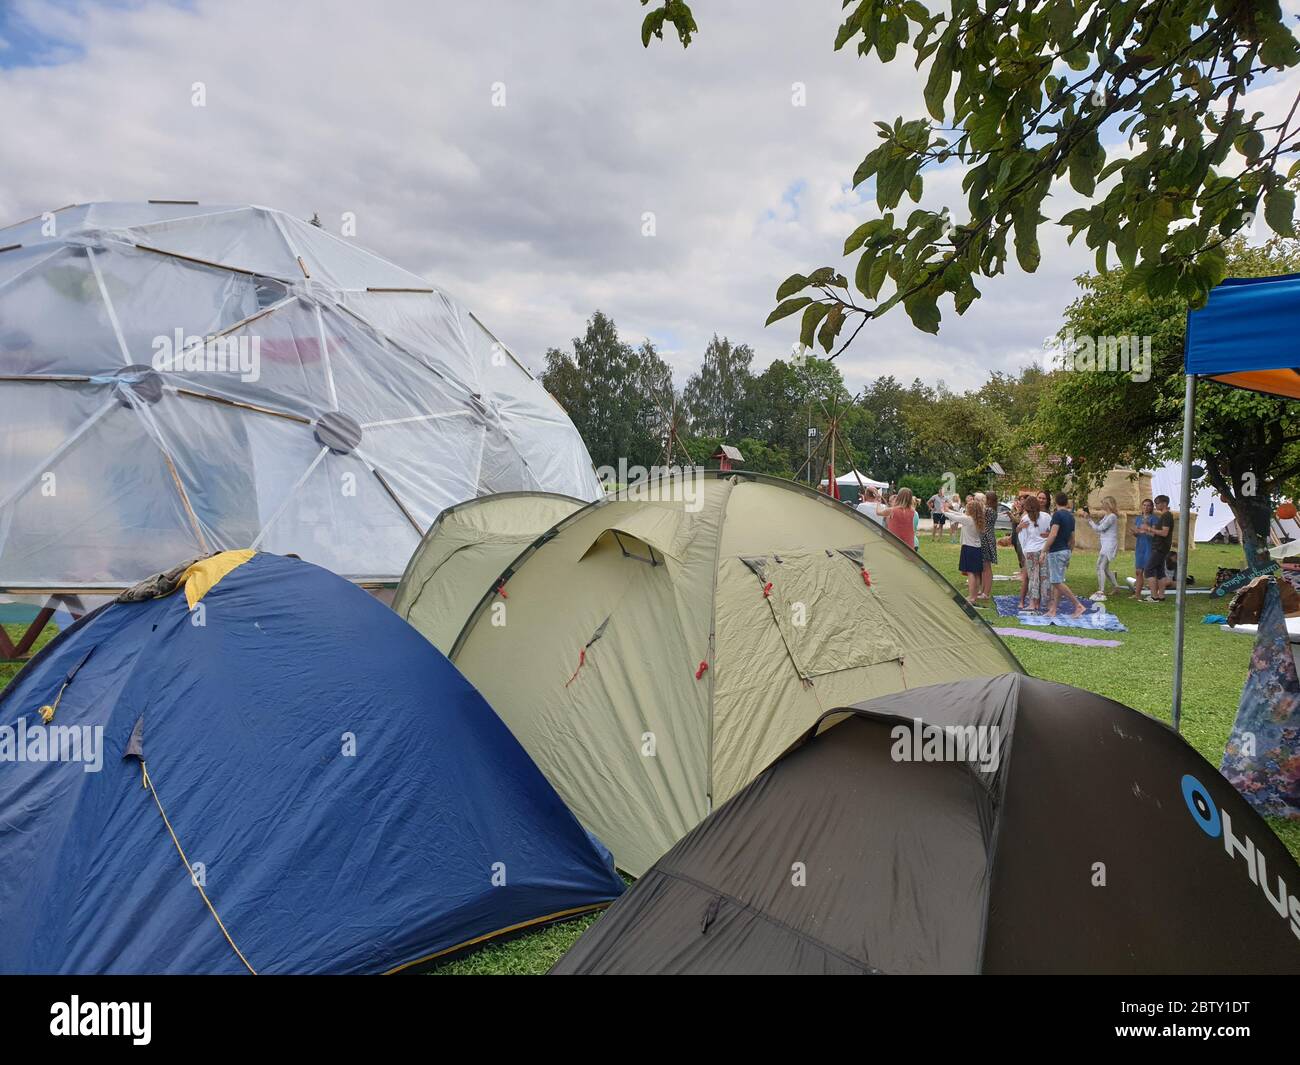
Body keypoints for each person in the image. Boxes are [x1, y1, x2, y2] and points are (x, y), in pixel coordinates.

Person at [1041, 491, 1087, 616]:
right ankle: (1053, 609)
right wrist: (1069, 554)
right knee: (1058, 580)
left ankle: (1078, 605)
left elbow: (1053, 534)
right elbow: (1072, 539)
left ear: (1055, 502)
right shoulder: (1071, 517)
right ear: (1067, 503)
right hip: (1066, 550)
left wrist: (1044, 550)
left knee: (1056, 582)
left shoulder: (1057, 515)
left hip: (1056, 551)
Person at [944, 495, 986, 606]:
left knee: (970, 573)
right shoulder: (976, 519)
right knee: (976, 574)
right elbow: (960, 515)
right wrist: (948, 510)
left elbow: (956, 518)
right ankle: (974, 595)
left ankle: (972, 597)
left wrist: (944, 511)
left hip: (969, 548)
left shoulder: (968, 520)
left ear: (970, 510)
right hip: (977, 549)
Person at [1085, 495, 1122, 601]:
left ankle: (1101, 590)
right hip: (1106, 543)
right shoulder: (1108, 515)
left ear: (1107, 504)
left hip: (1109, 544)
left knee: (1100, 566)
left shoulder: (1112, 517)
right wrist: (1090, 519)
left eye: (1103, 503)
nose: (1101, 505)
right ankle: (1116, 587)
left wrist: (1089, 520)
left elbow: (1099, 528)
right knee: (1104, 568)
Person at [1018, 495, 1051, 611]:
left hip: (1030, 551)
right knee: (1044, 577)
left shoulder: (1025, 519)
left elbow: (1022, 537)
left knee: (1033, 578)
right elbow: (1051, 532)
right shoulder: (1047, 516)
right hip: (1043, 550)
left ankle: (1033, 603)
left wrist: (1024, 551)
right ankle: (1045, 603)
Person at [1143, 494, 1176, 602]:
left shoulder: (1166, 515)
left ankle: (1153, 596)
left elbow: (1164, 533)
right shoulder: (1165, 515)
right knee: (1160, 571)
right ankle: (1161, 596)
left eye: (1157, 503)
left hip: (1160, 547)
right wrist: (1148, 530)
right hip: (1161, 546)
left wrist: (1150, 529)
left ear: (1164, 503)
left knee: (1148, 570)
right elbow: (1158, 533)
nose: (1156, 505)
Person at [999, 494, 1028, 607]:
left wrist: (1012, 513)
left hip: (1022, 537)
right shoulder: (1020, 511)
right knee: (1018, 552)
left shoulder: (1025, 513)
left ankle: (1023, 573)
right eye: (1019, 500)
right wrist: (1014, 510)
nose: (1020, 502)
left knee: (1022, 554)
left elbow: (1017, 520)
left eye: (1022, 500)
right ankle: (1022, 571)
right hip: (1017, 535)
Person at [1132, 498, 1155, 598]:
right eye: (1144, 505)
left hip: (1149, 546)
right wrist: (1135, 532)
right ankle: (1137, 594)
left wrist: (1145, 531)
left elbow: (1155, 534)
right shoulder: (1138, 518)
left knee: (1149, 571)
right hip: (1140, 546)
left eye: (1148, 505)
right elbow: (1136, 532)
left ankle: (1153, 594)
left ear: (1151, 507)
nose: (1146, 507)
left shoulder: (1154, 519)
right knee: (1138, 571)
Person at [980, 490, 999, 601]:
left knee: (986, 567)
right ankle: (983, 591)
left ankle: (986, 592)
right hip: (988, 537)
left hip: (986, 539)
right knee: (984, 567)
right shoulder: (992, 509)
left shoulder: (988, 510)